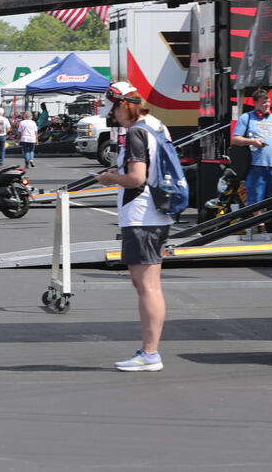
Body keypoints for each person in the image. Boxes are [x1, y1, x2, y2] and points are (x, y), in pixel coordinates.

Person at [96, 90, 171, 372]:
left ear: (125, 106)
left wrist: (110, 177)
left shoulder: (137, 134)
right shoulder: (158, 126)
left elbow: (136, 178)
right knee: (150, 285)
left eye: (114, 111)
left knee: (146, 286)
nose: (113, 117)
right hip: (158, 214)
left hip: (142, 216)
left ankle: (150, 353)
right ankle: (150, 351)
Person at [230, 88, 272, 232]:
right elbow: (235, 139)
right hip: (256, 167)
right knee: (256, 199)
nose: (267, 104)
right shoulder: (247, 118)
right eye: (264, 102)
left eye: (268, 101)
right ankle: (261, 226)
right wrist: (252, 141)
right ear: (255, 103)